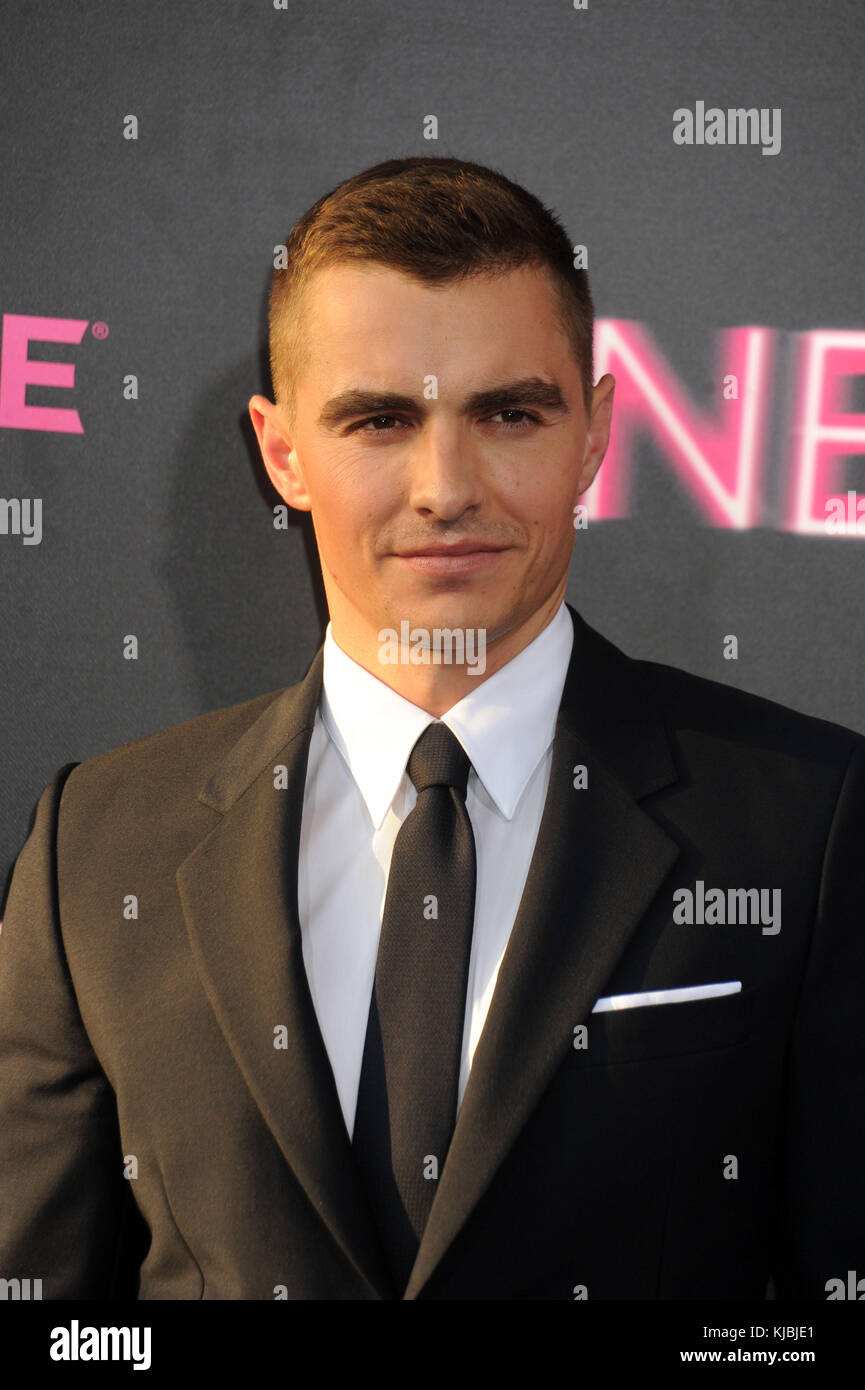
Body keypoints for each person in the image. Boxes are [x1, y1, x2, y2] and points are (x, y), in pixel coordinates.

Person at [0, 156, 862, 1301]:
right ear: (283, 453)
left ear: (595, 433)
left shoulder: (803, 823)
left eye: (509, 412)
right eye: (379, 419)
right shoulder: (93, 849)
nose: (446, 485)